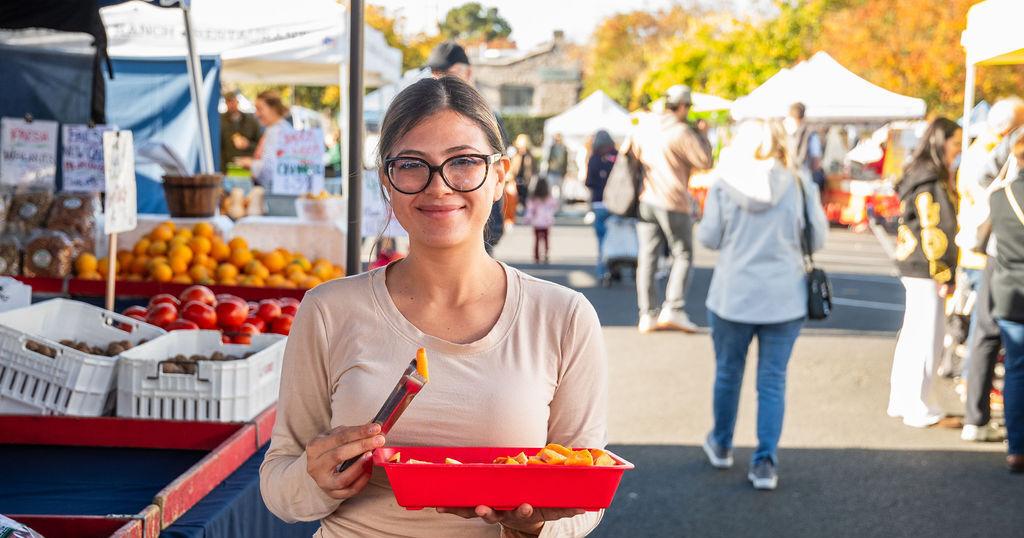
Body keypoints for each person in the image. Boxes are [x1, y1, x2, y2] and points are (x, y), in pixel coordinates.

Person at [259, 76, 608, 536]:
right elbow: (278, 480)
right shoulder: (328, 310)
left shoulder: (564, 317)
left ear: (501, 175)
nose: (439, 186)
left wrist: (534, 527)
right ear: (387, 181)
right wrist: (314, 478)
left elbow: (587, 495)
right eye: (411, 164)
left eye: (464, 161)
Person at [697, 120, 827, 491]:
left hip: (733, 293)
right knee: (772, 381)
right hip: (785, 297)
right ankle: (764, 462)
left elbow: (709, 237)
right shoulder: (799, 182)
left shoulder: (726, 182)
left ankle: (721, 444)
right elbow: (816, 238)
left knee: (727, 372)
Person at [888, 118, 962, 428]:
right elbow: (936, 227)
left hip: (912, 261)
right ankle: (919, 406)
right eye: (955, 143)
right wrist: (945, 271)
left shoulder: (917, 172)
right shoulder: (931, 178)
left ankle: (903, 400)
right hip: (926, 265)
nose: (958, 150)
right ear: (940, 142)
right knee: (927, 336)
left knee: (913, 333)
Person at [958, 98, 1024, 442]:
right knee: (1001, 343)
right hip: (1005, 250)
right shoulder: (1009, 142)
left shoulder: (1006, 145)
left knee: (991, 336)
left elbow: (984, 180)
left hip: (1002, 250)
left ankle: (977, 418)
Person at [630, 84, 713, 333]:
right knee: (683, 253)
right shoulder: (681, 131)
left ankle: (647, 313)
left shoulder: (645, 126)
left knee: (647, 257)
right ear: (684, 106)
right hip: (674, 200)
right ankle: (674, 308)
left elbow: (630, 153)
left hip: (646, 198)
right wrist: (702, 135)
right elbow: (705, 161)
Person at [427, 40, 507, 255]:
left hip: (478, 225)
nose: (440, 80)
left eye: (448, 74)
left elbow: (498, 169)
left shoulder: (487, 116)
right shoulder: (423, 115)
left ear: (468, 72)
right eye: (435, 73)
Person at [989, 136, 1024, 473]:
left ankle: (1016, 447)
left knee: (1015, 370)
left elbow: (979, 239)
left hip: (1009, 291)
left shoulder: (1000, 195)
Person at [238, 90, 293, 186]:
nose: (256, 114)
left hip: (273, 193)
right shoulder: (277, 128)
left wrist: (250, 163)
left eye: (260, 109)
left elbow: (270, 168)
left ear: (273, 108)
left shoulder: (277, 131)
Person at [585, 130, 617, 280]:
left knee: (602, 239)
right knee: (616, 238)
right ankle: (614, 268)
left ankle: (602, 270)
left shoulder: (594, 158)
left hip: (598, 203)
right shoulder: (617, 157)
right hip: (616, 204)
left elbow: (589, 182)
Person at [785, 102, 825, 193]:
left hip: (785, 179)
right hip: (804, 179)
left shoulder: (782, 131)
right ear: (803, 116)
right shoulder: (811, 134)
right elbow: (816, 162)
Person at [220, 90, 261, 173]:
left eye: (233, 101)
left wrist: (248, 144)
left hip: (247, 166)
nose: (231, 105)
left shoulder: (251, 120)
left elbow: (260, 145)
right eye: (228, 102)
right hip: (228, 167)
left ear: (237, 102)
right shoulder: (220, 120)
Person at [525, 177, 558, 264]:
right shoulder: (549, 197)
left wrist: (528, 219)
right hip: (546, 222)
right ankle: (546, 254)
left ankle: (536, 256)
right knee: (546, 239)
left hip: (536, 222)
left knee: (536, 240)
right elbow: (554, 206)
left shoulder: (533, 198)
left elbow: (530, 209)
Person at [509, 134, 537, 214]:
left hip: (526, 179)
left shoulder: (530, 156)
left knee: (525, 195)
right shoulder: (516, 155)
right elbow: (513, 168)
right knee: (516, 195)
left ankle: (526, 210)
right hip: (516, 179)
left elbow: (533, 169)